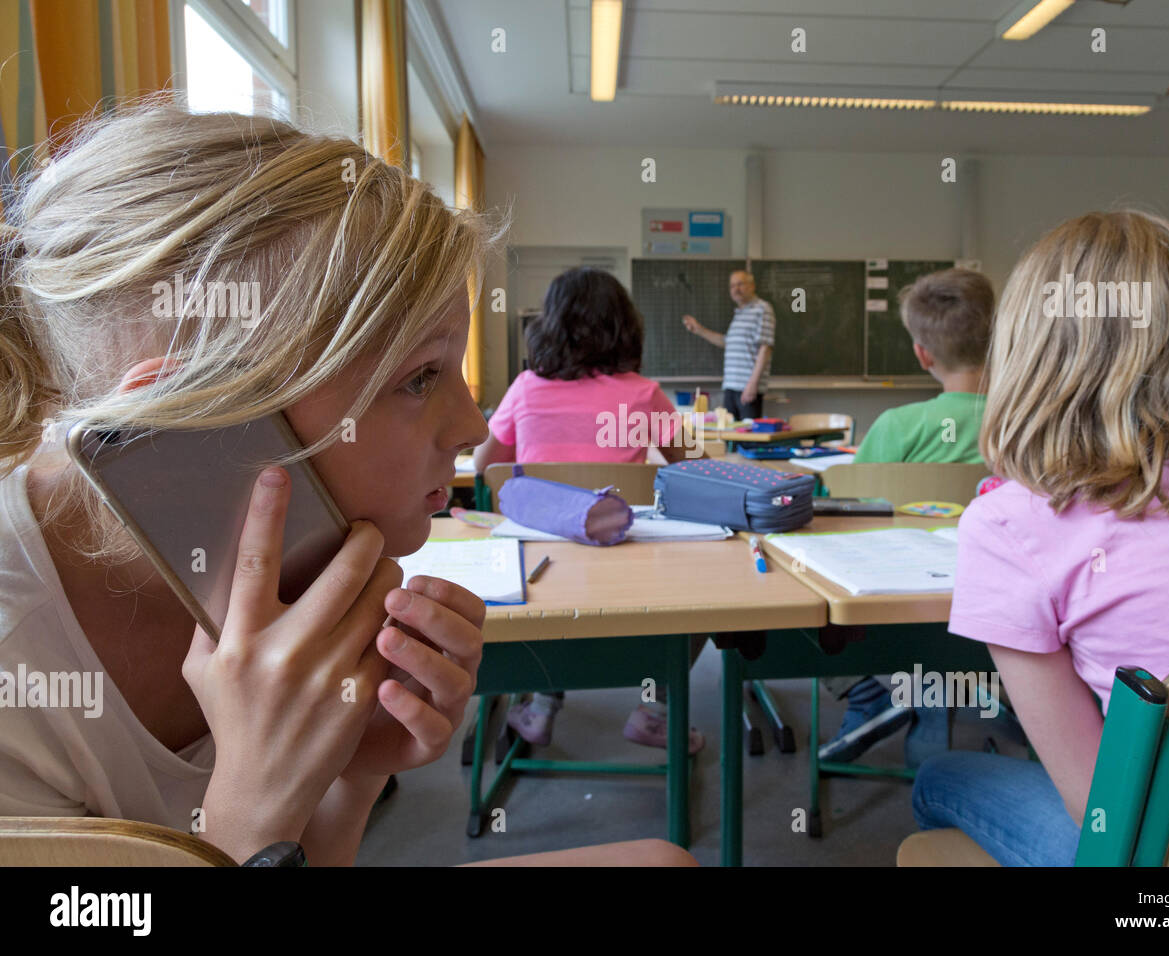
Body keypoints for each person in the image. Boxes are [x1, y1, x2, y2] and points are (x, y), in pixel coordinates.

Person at [0, 104, 694, 867]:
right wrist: (248, 815)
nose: (470, 425)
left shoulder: (273, 558)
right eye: (421, 377)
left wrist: (349, 768)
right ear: (192, 424)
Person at [909, 209, 1169, 866]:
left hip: (1168, 873)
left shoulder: (1010, 525)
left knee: (939, 778)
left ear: (1028, 347)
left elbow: (1099, 809)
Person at [473, 267, 705, 754]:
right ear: (625, 326)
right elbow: (696, 467)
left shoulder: (525, 388)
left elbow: (484, 465)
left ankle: (540, 704)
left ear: (549, 324)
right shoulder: (645, 394)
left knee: (554, 560)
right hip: (629, 580)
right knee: (706, 596)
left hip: (536, 579)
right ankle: (654, 711)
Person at [821, 269, 995, 766]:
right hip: (998, 621)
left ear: (923, 353)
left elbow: (846, 517)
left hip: (891, 613)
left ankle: (868, 690)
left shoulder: (897, 426)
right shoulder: (1029, 422)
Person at [681, 269, 775, 421]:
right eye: (732, 286)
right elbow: (727, 342)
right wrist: (699, 330)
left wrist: (752, 385)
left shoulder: (762, 309)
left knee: (747, 439)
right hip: (730, 386)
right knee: (729, 437)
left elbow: (765, 348)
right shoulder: (739, 314)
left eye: (740, 284)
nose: (736, 289)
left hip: (747, 388)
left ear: (752, 286)